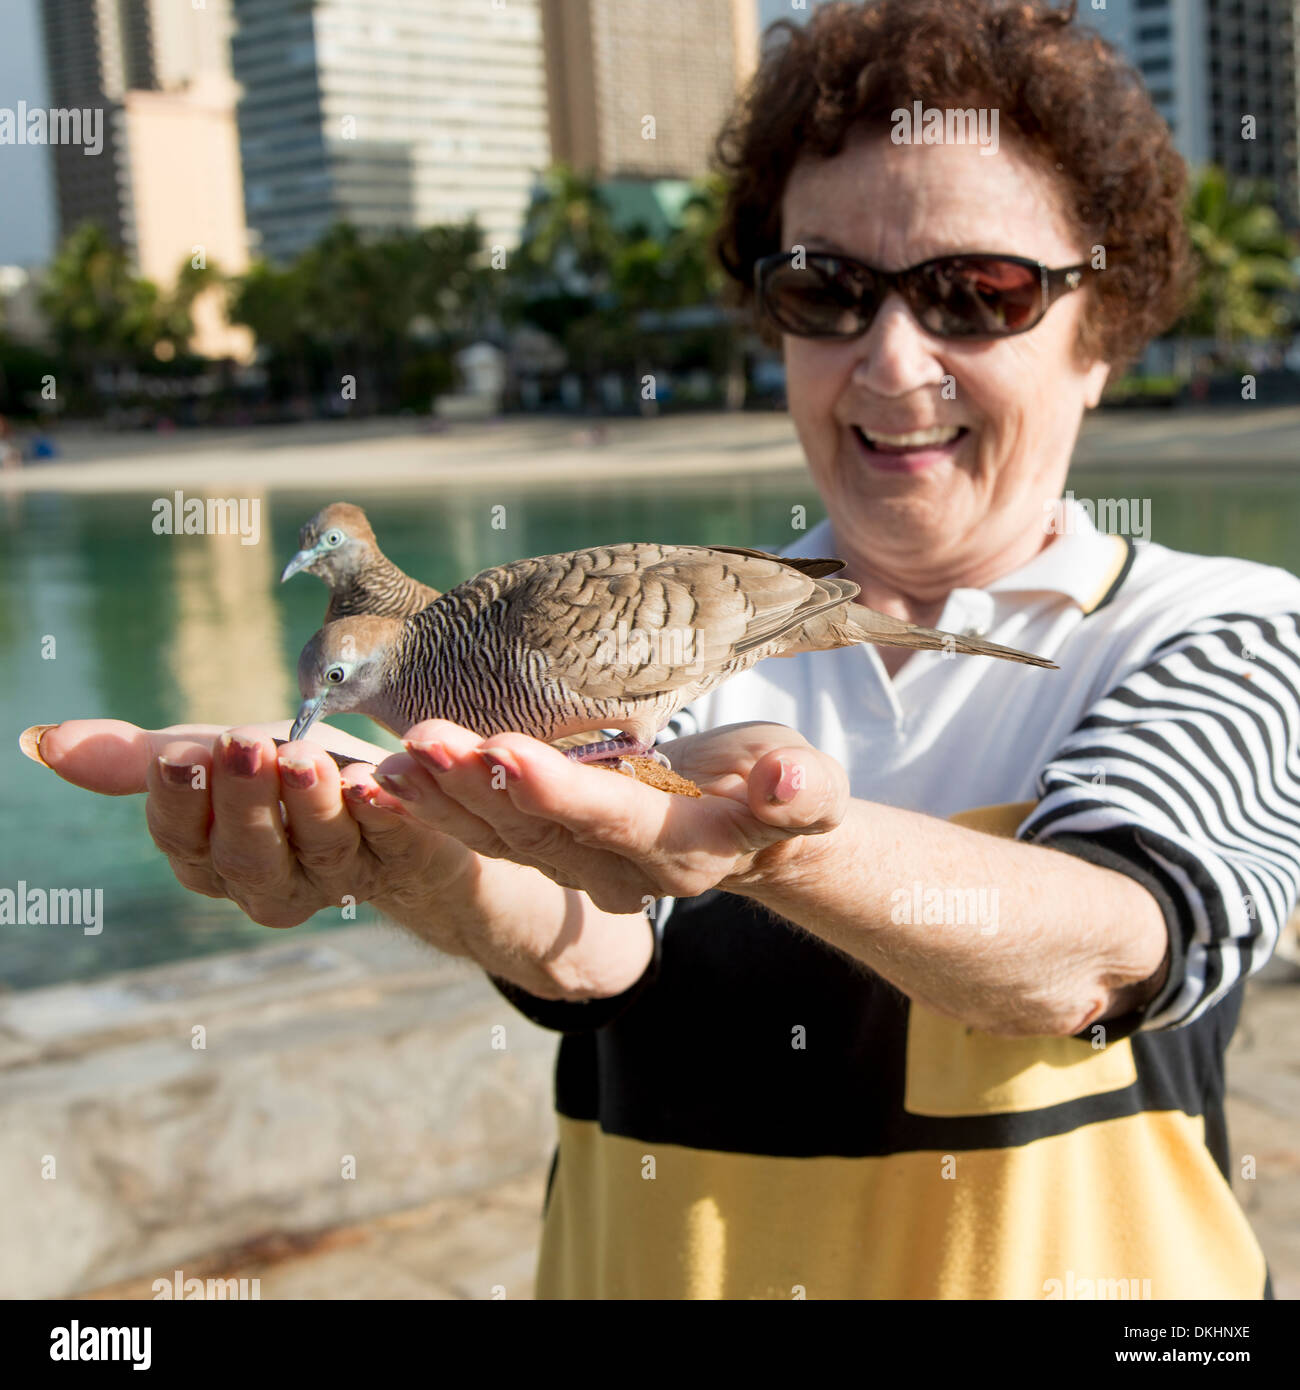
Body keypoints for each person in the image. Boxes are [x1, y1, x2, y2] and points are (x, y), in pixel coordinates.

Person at [23, 0, 1300, 1297]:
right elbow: (591, 940)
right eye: (826, 287)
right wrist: (411, 854)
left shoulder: (1227, 633)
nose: (892, 357)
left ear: (1105, 334)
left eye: (982, 292)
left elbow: (1102, 944)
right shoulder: (650, 619)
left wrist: (783, 841)